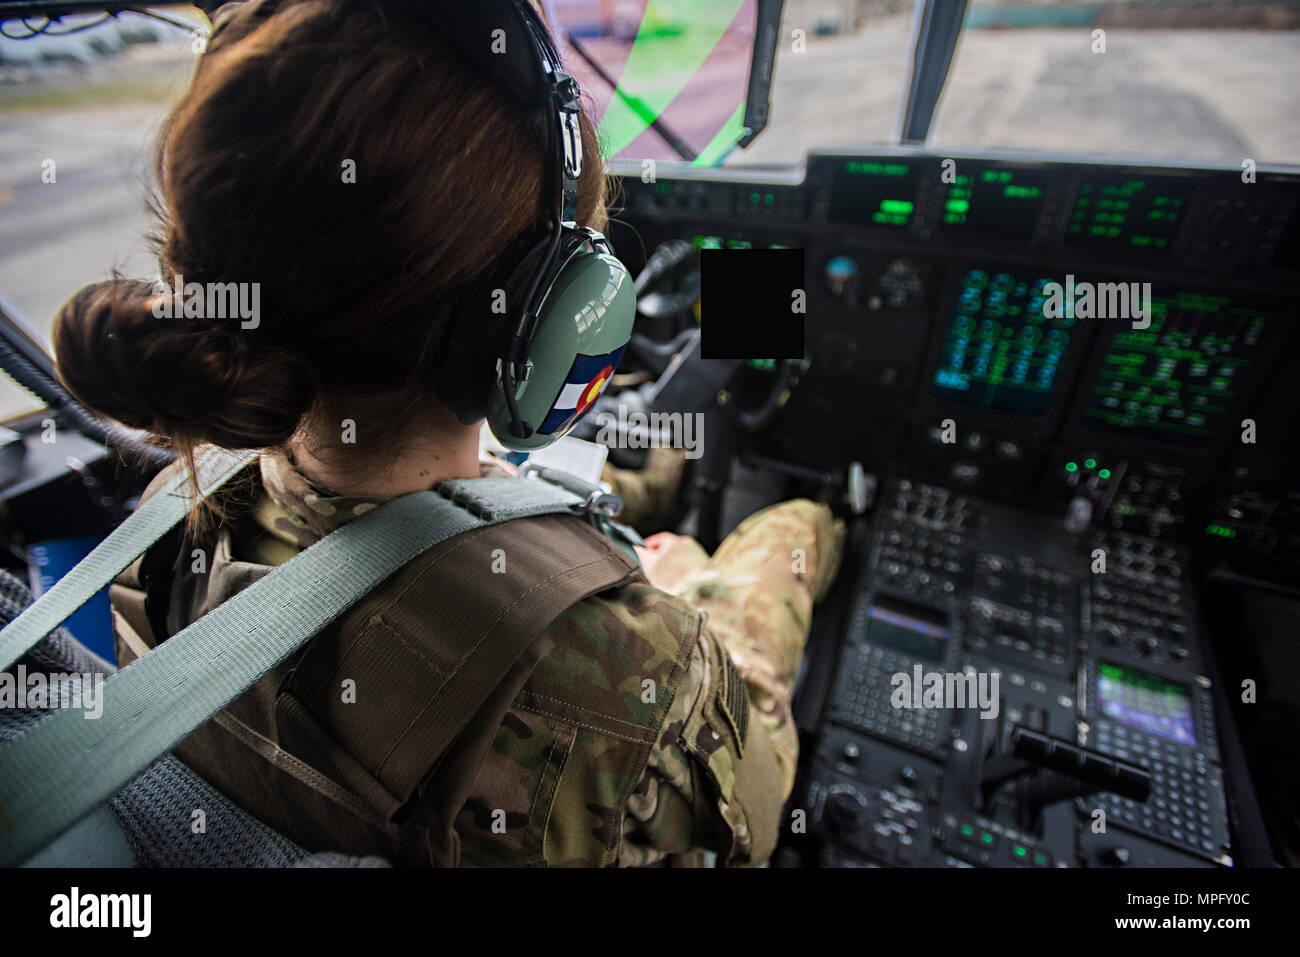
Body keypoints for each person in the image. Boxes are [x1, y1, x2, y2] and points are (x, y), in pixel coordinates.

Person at [51, 0, 844, 866]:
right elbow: (758, 803)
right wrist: (709, 569)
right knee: (790, 526)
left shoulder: (171, 520)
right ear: (539, 332)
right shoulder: (639, 679)